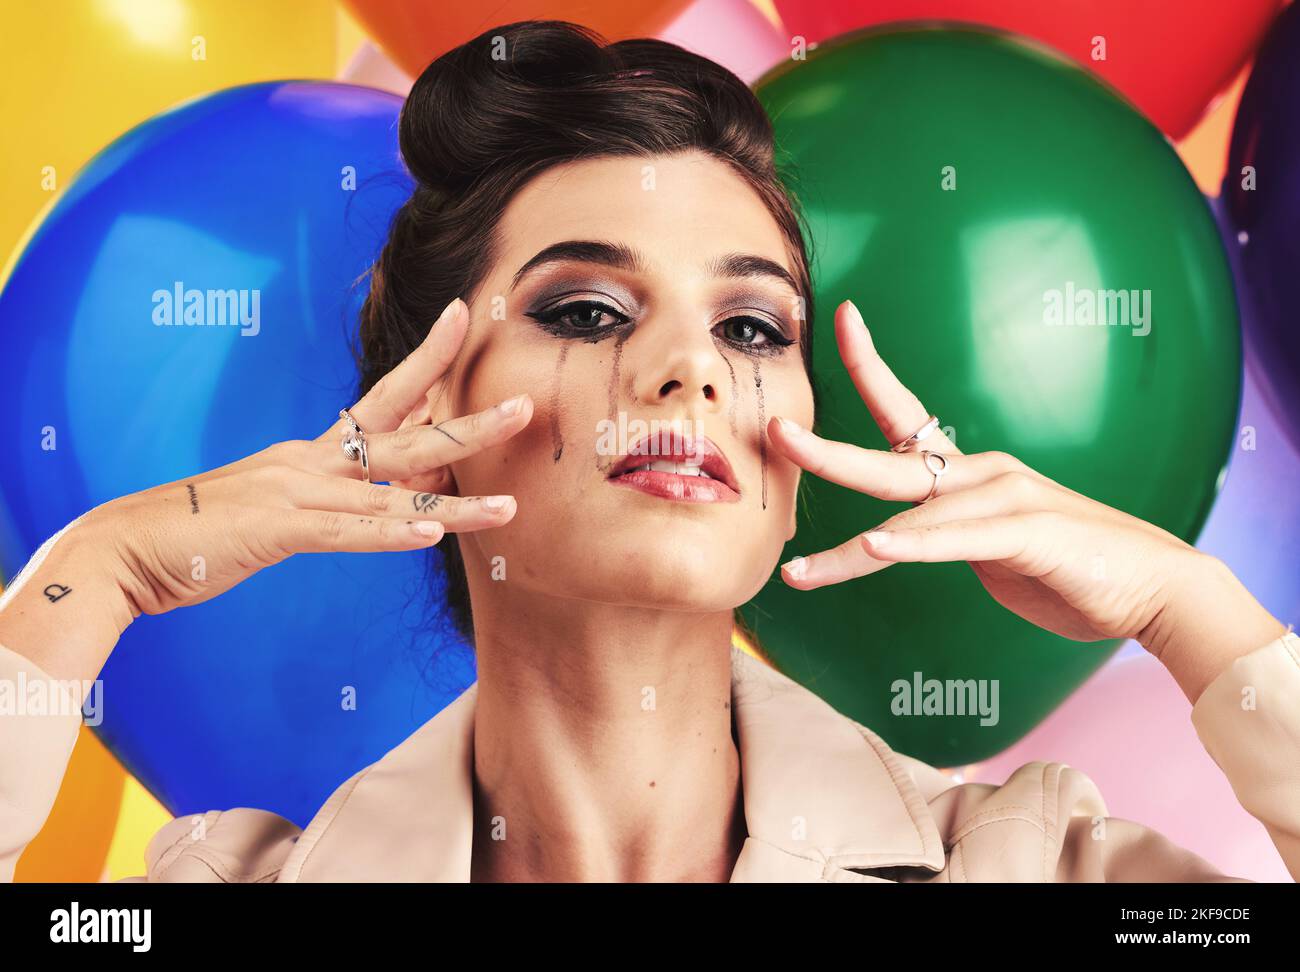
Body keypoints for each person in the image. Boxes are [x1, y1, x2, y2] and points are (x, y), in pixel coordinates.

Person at [1, 20, 1296, 883]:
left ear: (790, 461)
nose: (691, 371)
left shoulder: (1028, 866)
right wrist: (100, 568)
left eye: (750, 324)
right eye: (585, 311)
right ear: (430, 422)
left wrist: (1195, 610)